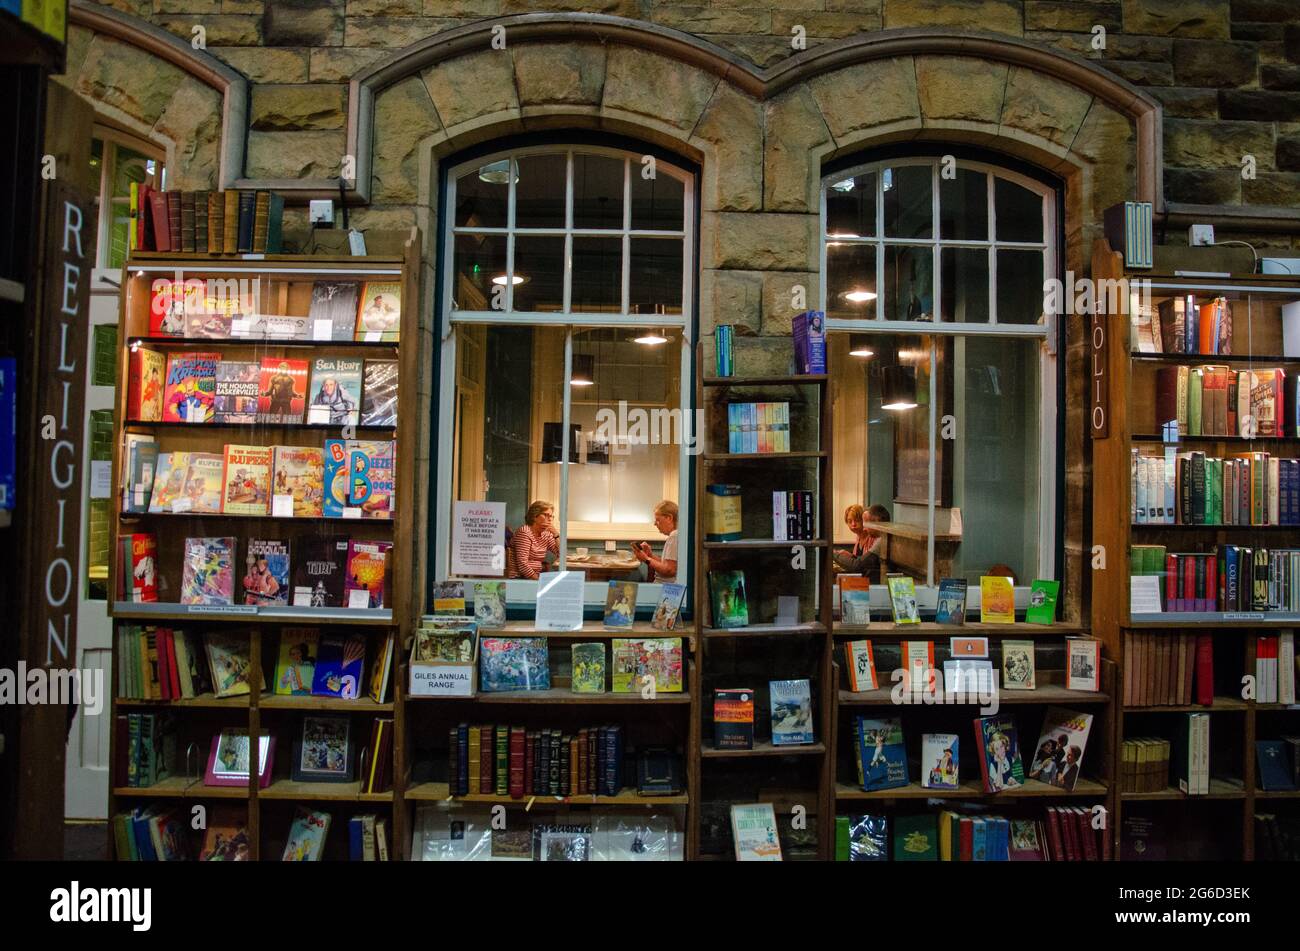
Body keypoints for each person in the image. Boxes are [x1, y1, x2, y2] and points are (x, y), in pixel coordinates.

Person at [509, 500, 560, 579]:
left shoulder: (546, 533)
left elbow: (561, 554)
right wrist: (539, 582)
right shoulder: (525, 532)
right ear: (534, 516)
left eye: (551, 516)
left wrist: (556, 535)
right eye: (546, 515)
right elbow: (523, 565)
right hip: (521, 578)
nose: (550, 519)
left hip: (536, 576)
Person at [834, 503, 889, 576]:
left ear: (877, 522)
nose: (864, 528)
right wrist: (852, 557)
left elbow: (858, 566)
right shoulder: (877, 538)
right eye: (849, 521)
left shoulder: (881, 540)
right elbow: (863, 562)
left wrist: (833, 554)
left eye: (866, 523)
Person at [633, 500, 678, 582]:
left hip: (666, 589)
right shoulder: (675, 536)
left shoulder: (674, 536)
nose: (655, 524)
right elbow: (667, 564)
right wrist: (650, 556)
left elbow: (669, 570)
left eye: (658, 520)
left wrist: (646, 559)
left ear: (669, 518)